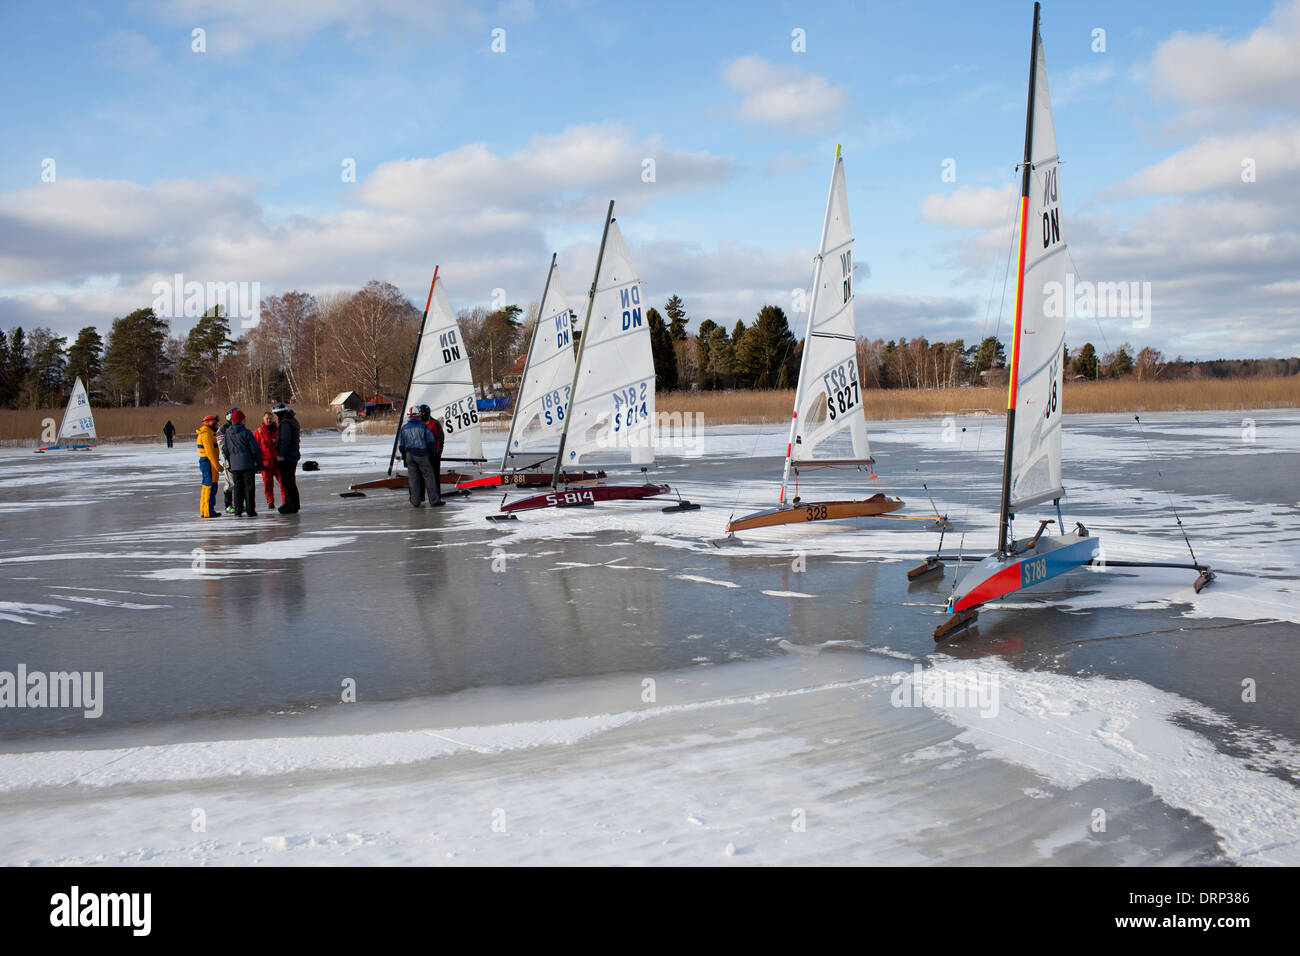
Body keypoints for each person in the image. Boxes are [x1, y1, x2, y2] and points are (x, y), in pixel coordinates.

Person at [398, 406, 441, 507]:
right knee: (429, 477)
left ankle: (415, 501)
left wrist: (405, 456)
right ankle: (434, 500)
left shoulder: (404, 428)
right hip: (422, 455)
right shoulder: (423, 426)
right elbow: (430, 442)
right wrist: (432, 454)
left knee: (413, 479)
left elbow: (401, 445)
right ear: (418, 415)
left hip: (409, 456)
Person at [223, 409, 260, 517]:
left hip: (235, 466)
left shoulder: (228, 433)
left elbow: (225, 449)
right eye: (244, 419)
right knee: (249, 488)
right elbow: (254, 449)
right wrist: (258, 462)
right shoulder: (247, 432)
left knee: (237, 488)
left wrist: (230, 462)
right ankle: (250, 510)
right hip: (247, 464)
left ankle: (238, 510)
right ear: (241, 420)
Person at [273, 404, 301, 514]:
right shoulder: (293, 421)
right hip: (293, 455)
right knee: (291, 481)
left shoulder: (285, 424)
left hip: (288, 457)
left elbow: (286, 440)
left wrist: (281, 455)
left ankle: (291, 504)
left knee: (287, 482)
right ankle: (293, 504)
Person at [418, 404, 445, 505]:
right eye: (420, 413)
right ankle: (420, 497)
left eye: (423, 413)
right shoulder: (418, 423)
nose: (421, 415)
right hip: (421, 454)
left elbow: (440, 438)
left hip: (433, 455)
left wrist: (438, 451)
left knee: (435, 477)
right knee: (420, 477)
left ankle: (436, 498)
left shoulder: (435, 423)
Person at [254, 412, 282, 510]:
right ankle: (270, 501)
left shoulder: (278, 430)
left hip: (278, 462)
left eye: (270, 418)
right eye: (267, 418)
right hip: (266, 463)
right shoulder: (259, 432)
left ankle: (285, 500)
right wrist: (256, 462)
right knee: (267, 484)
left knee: (283, 482)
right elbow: (255, 448)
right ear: (263, 419)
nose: (269, 420)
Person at [196, 414, 222, 518]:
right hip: (209, 463)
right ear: (210, 423)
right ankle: (208, 512)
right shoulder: (206, 435)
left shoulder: (209, 433)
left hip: (208, 463)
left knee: (207, 487)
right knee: (210, 487)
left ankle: (205, 510)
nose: (217, 425)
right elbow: (210, 452)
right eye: (215, 423)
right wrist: (218, 466)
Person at [216, 408, 237, 513]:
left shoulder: (237, 427)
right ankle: (228, 505)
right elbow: (222, 445)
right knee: (230, 482)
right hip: (228, 459)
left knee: (238, 482)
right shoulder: (223, 429)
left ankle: (238, 503)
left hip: (237, 458)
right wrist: (227, 457)